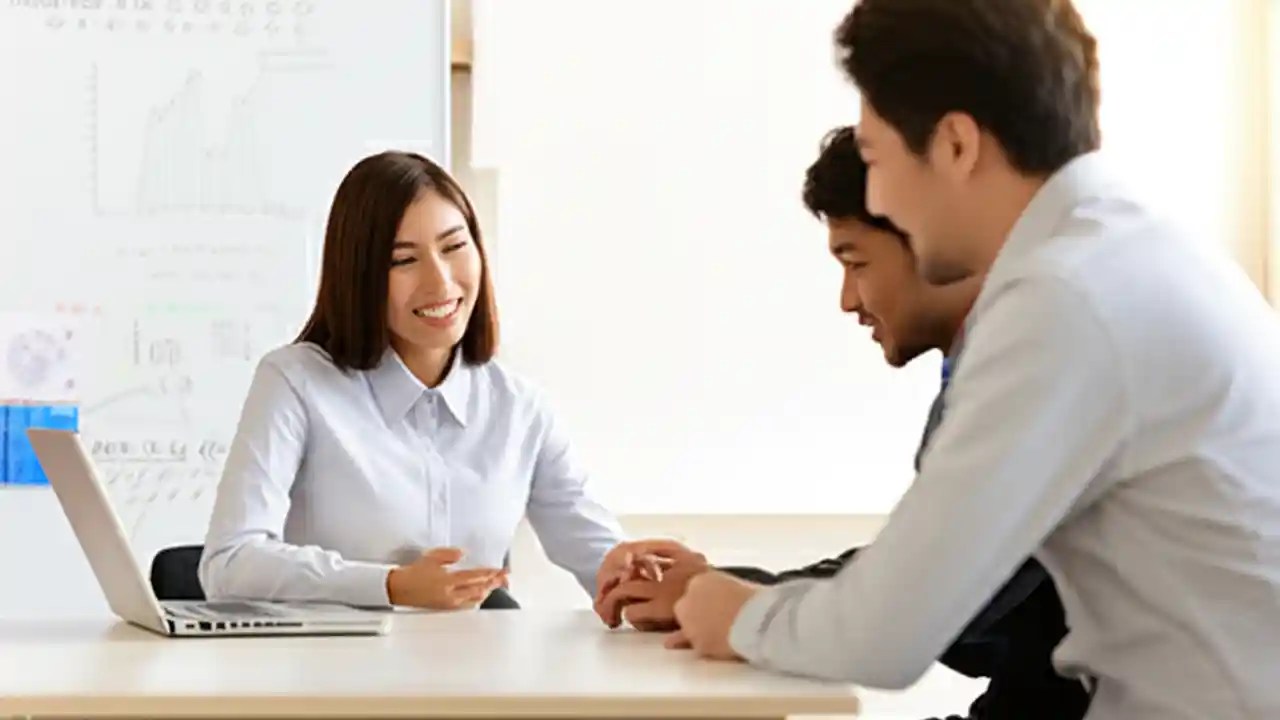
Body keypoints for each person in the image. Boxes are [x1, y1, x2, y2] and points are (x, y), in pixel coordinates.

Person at [664, 1, 1280, 718]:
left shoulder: (1066, 296)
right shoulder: (1138, 251)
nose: (878, 195)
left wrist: (732, 613)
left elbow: (882, 636)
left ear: (955, 144)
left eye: (873, 158)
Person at [596, 126, 1088, 720]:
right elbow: (929, 575)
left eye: (855, 262)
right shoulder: (1007, 351)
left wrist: (732, 604)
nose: (847, 300)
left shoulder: (1040, 364)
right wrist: (718, 588)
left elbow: (918, 612)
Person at [199, 151, 629, 611]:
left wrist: (641, 578)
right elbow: (229, 563)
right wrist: (391, 586)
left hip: (476, 678)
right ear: (360, 277)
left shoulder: (520, 408)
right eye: (403, 261)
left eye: (453, 247)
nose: (440, 282)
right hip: (332, 676)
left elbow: (600, 557)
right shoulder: (296, 383)